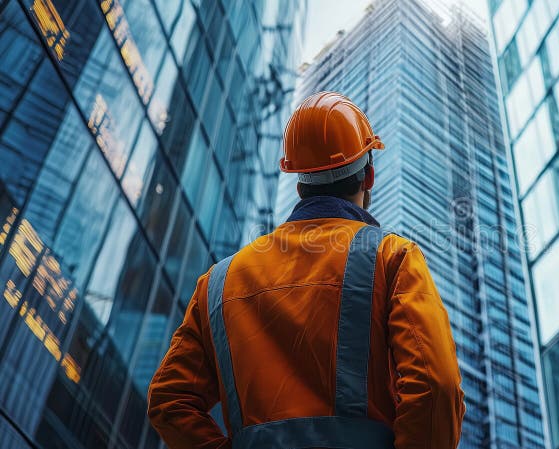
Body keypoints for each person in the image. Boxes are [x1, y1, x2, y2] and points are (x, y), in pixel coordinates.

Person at [148, 91, 466, 449]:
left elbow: (169, 401)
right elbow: (436, 385)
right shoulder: (392, 257)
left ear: (299, 184)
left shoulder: (218, 283)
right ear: (369, 178)